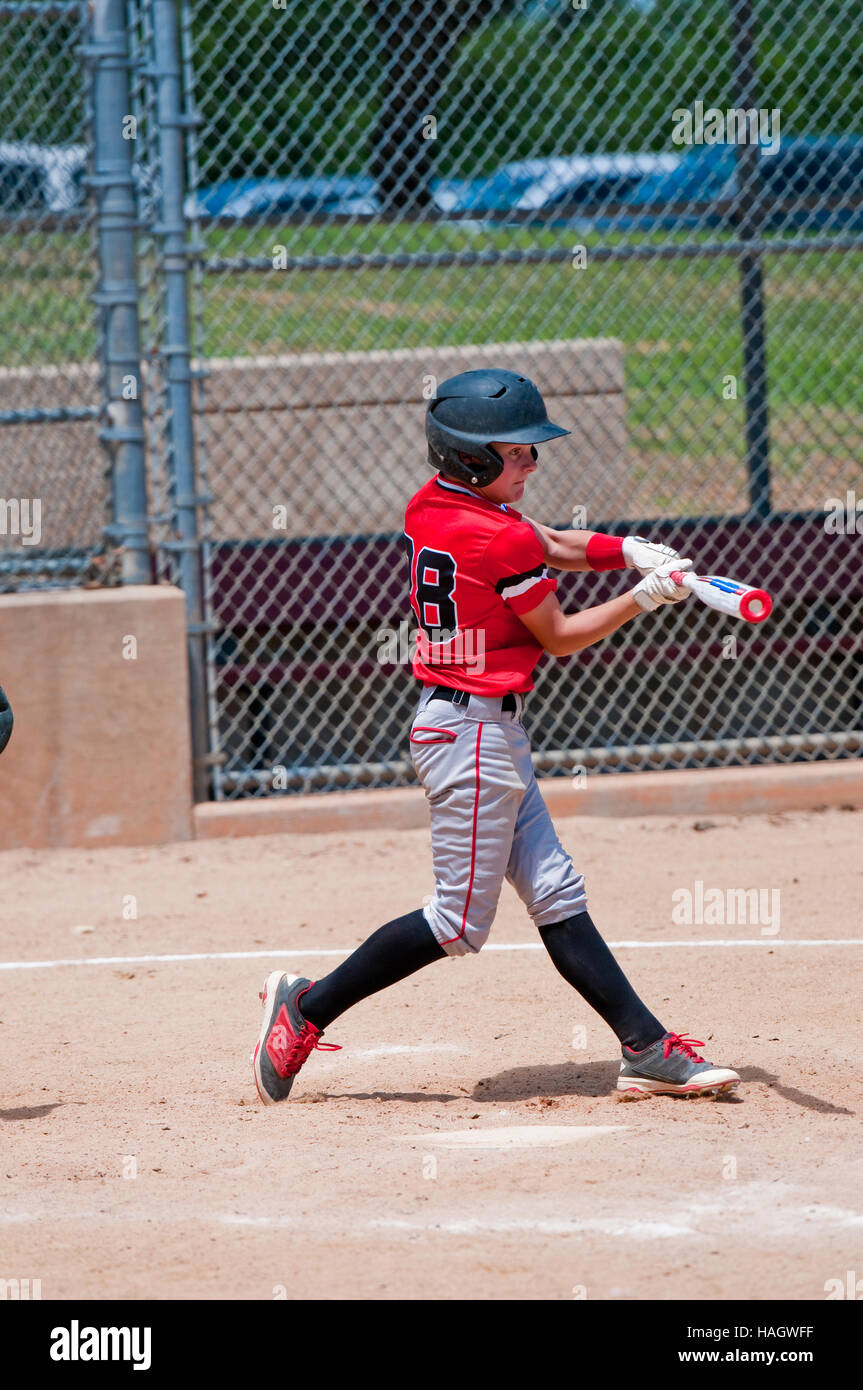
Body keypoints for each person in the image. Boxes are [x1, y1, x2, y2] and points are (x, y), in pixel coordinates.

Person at [252, 368, 740, 1105]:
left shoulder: (434, 505)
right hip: (469, 736)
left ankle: (645, 1049)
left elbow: (548, 542)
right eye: (517, 453)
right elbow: (563, 635)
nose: (533, 464)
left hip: (476, 728)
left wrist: (627, 549)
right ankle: (305, 1007)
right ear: (472, 460)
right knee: (456, 924)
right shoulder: (497, 539)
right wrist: (643, 598)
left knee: (553, 891)